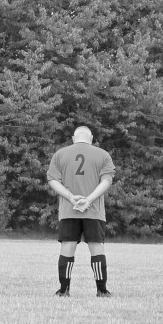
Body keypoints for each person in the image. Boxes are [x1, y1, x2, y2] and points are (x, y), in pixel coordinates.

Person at [46, 126, 116, 297]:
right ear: (91, 137)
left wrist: (71, 198)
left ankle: (63, 290)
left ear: (73, 138)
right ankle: (102, 291)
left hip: (69, 210)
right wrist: (89, 200)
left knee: (67, 248)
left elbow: (52, 180)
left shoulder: (60, 154)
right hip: (94, 211)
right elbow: (107, 181)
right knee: (97, 248)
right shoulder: (103, 155)